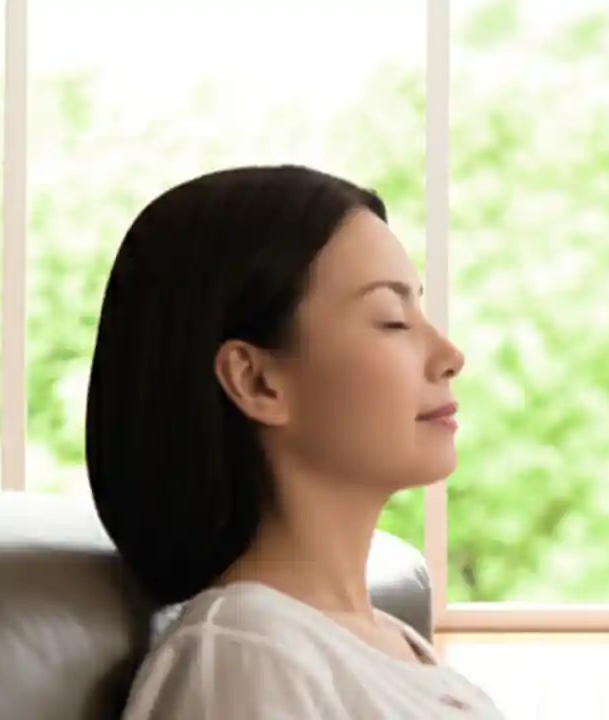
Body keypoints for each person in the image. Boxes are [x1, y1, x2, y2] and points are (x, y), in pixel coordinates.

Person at [86, 165, 504, 718]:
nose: (450, 356)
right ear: (257, 381)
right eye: (390, 319)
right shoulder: (246, 655)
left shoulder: (392, 647)